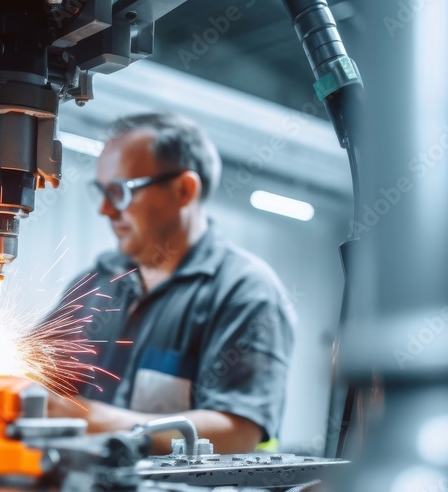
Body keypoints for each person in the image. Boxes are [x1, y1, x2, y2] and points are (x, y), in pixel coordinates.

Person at [45, 113, 296, 454]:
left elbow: (237, 432)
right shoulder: (96, 285)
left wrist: (91, 420)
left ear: (183, 190)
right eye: (101, 192)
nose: (105, 209)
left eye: (119, 192)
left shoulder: (246, 292)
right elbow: (35, 376)